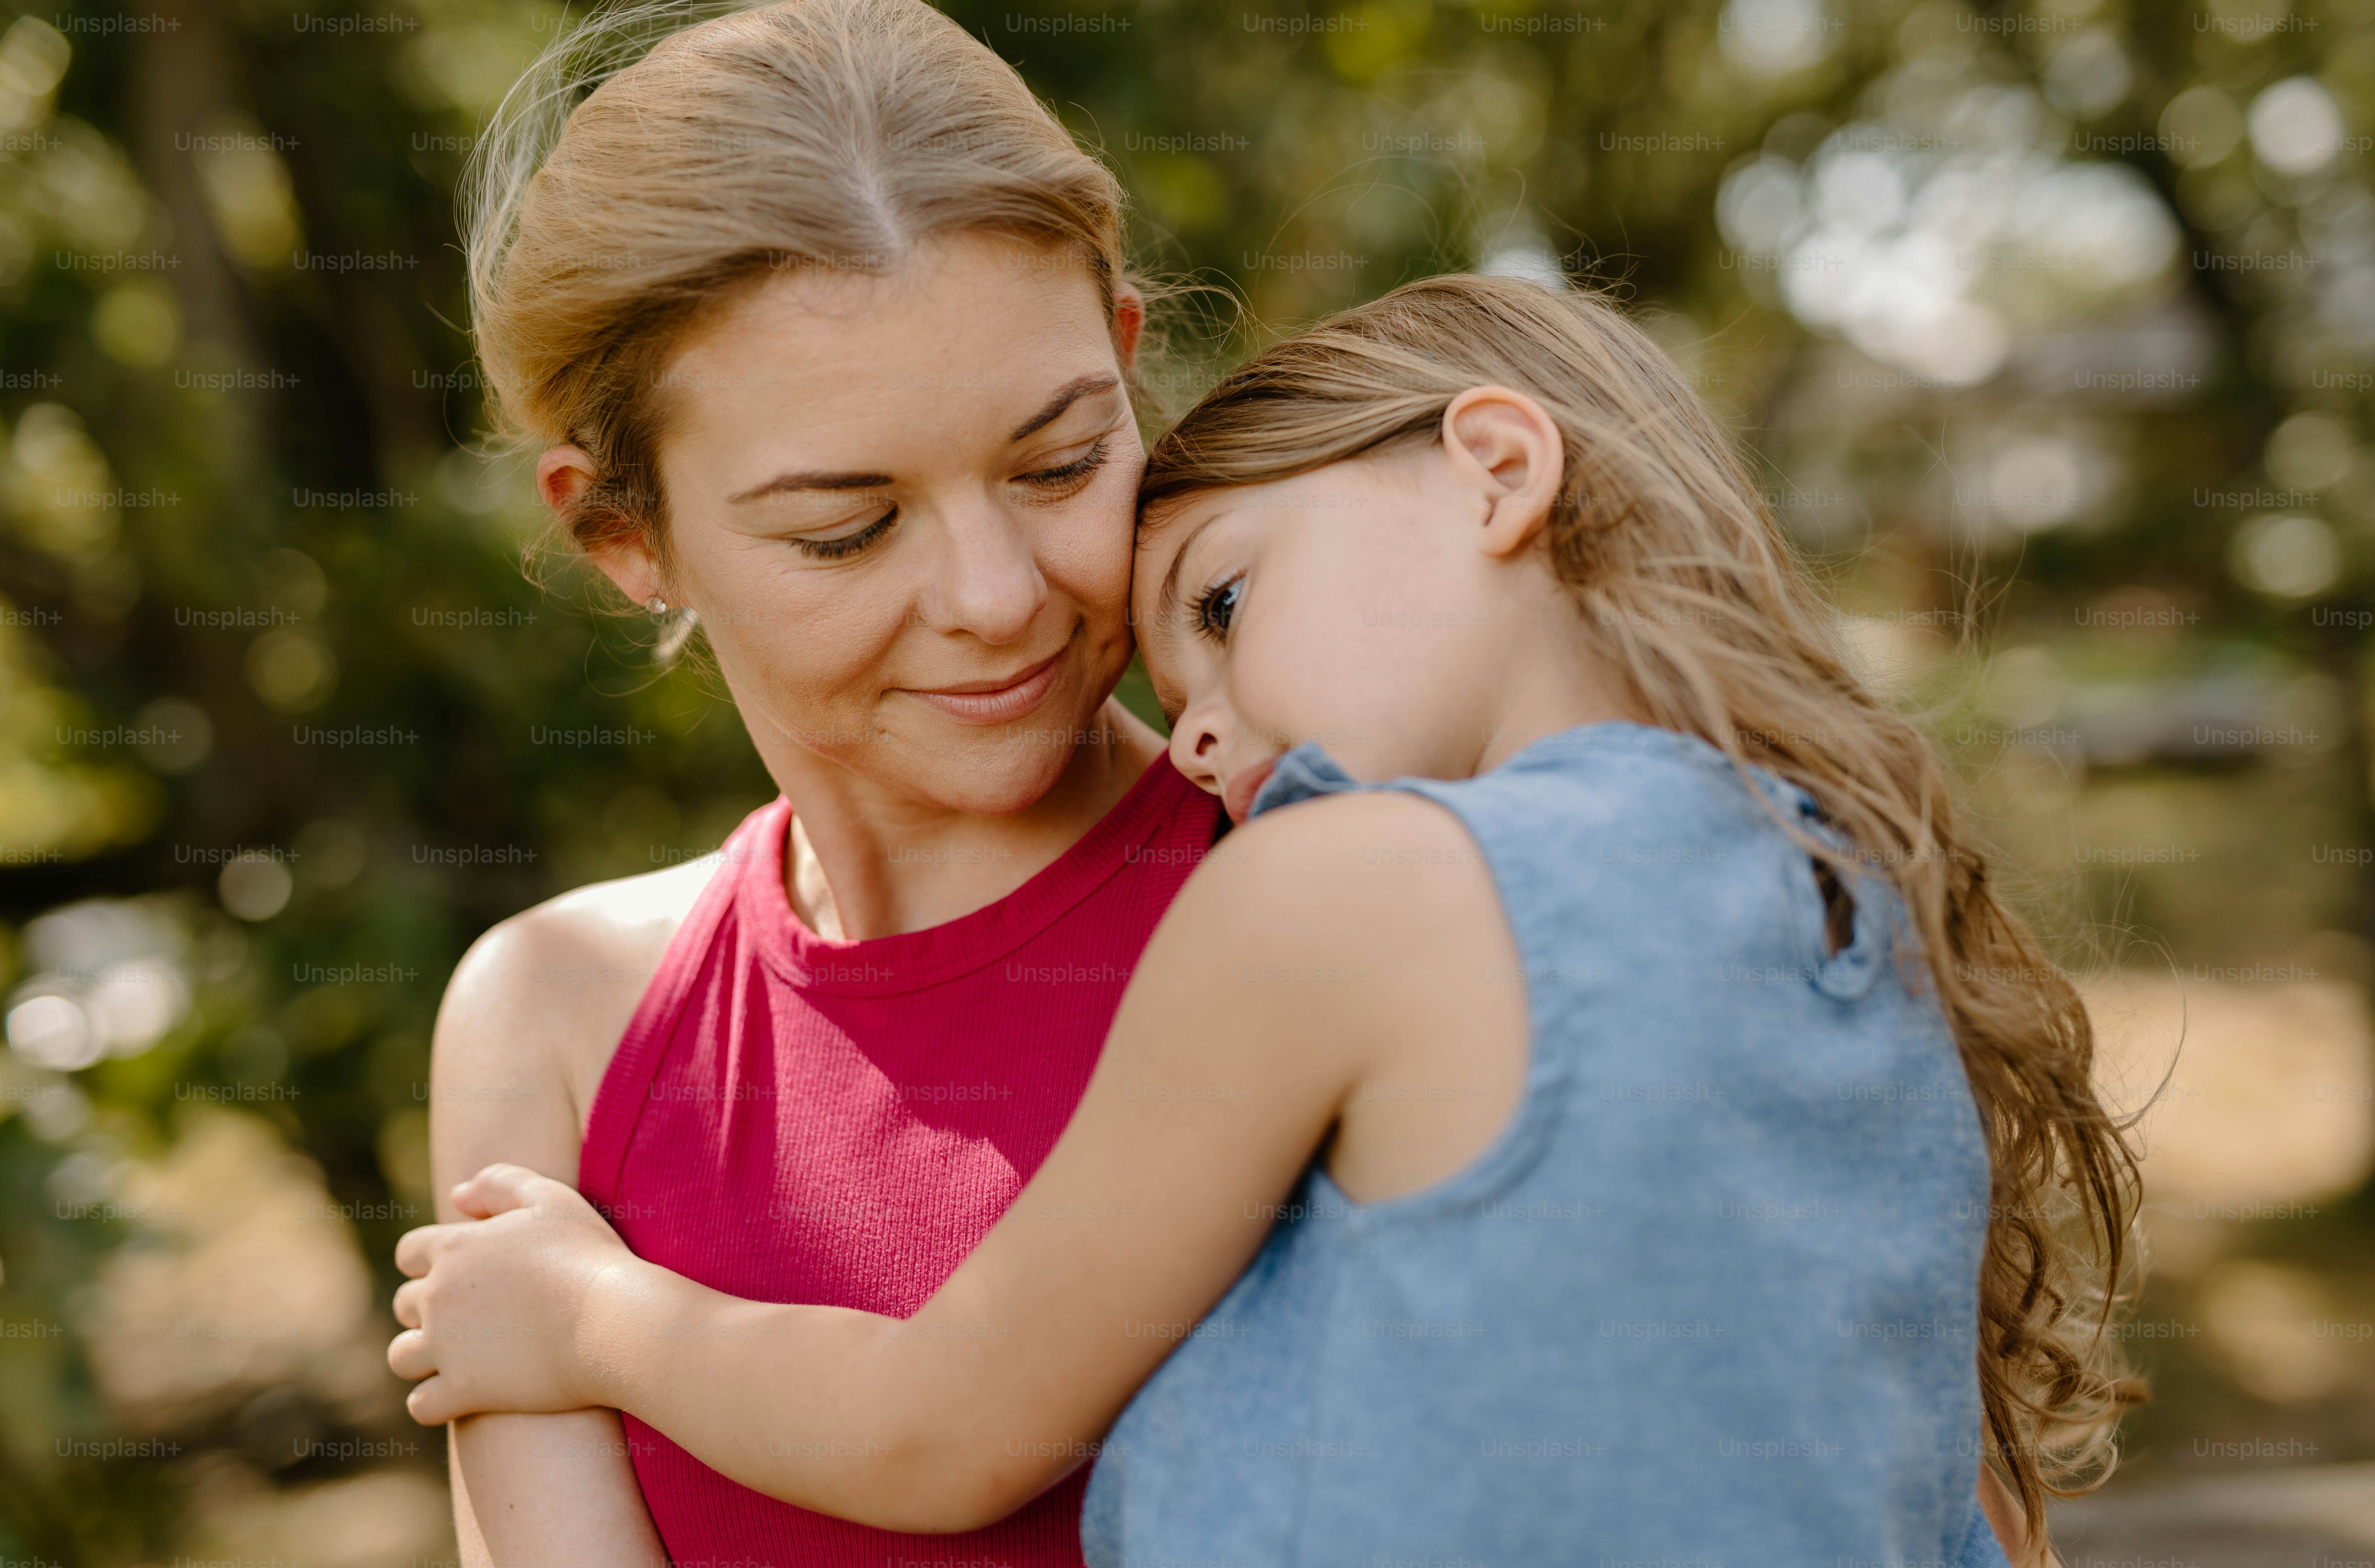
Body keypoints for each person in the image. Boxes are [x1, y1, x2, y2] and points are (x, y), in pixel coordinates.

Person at [391, 275, 2141, 1566]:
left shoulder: (1336, 890)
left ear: (1496, 469)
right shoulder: (1848, 896)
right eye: (850, 526)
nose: (1205, 733)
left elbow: (944, 1422)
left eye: (1225, 602)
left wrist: (591, 1315)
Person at [423, 0, 1222, 1562]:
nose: (997, 594)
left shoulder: (1341, 867)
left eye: (1062, 460)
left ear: (1126, 361)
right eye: (847, 528)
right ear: (622, 534)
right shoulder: (559, 1021)